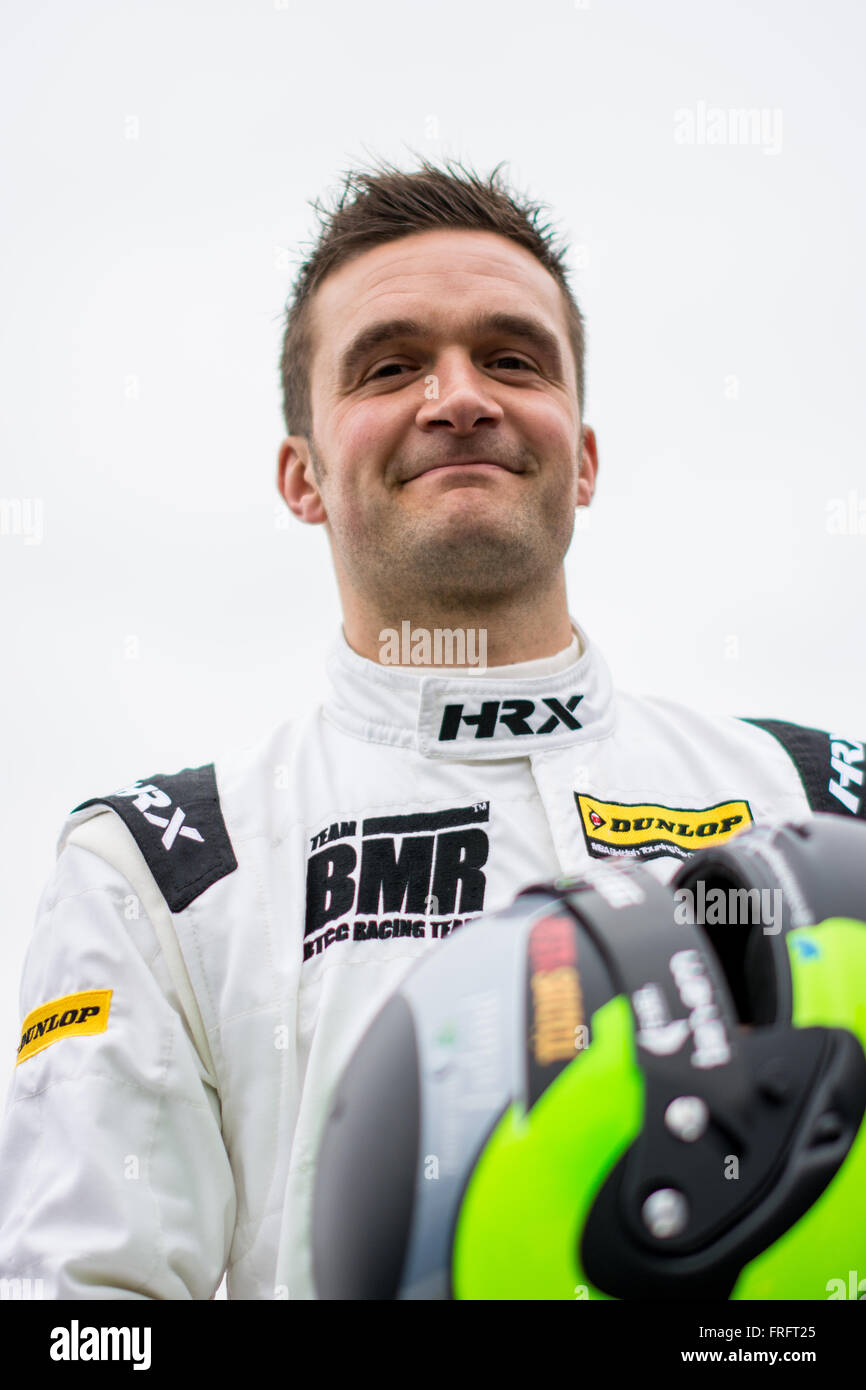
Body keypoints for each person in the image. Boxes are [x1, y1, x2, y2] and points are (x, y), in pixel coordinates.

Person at [0, 157, 863, 1301]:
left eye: (510, 358)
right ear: (301, 476)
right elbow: (76, 1314)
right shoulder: (159, 869)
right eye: (390, 364)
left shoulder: (818, 795)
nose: (457, 397)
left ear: (584, 455)